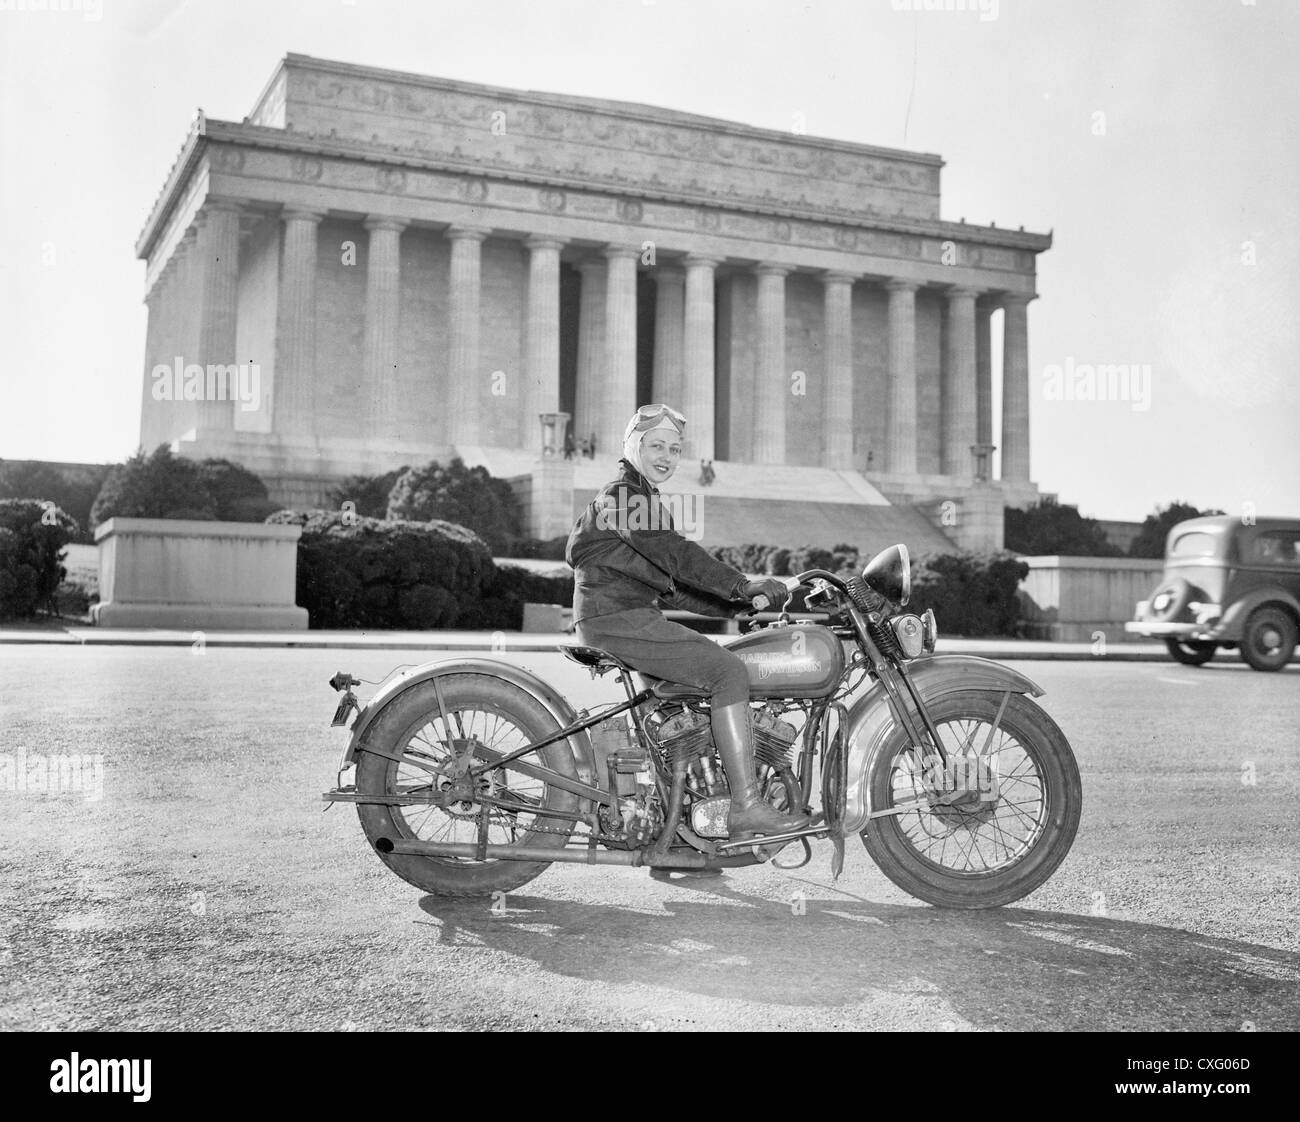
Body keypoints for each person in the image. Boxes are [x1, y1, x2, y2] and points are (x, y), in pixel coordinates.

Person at [566, 403, 811, 840]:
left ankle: (685, 832)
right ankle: (746, 806)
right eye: (656, 445)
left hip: (628, 616)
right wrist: (741, 582)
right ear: (632, 446)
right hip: (617, 619)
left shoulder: (641, 499)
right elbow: (677, 556)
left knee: (690, 699)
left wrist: (738, 606)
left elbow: (672, 585)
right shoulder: (624, 495)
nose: (666, 456)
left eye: (675, 449)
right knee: (727, 672)